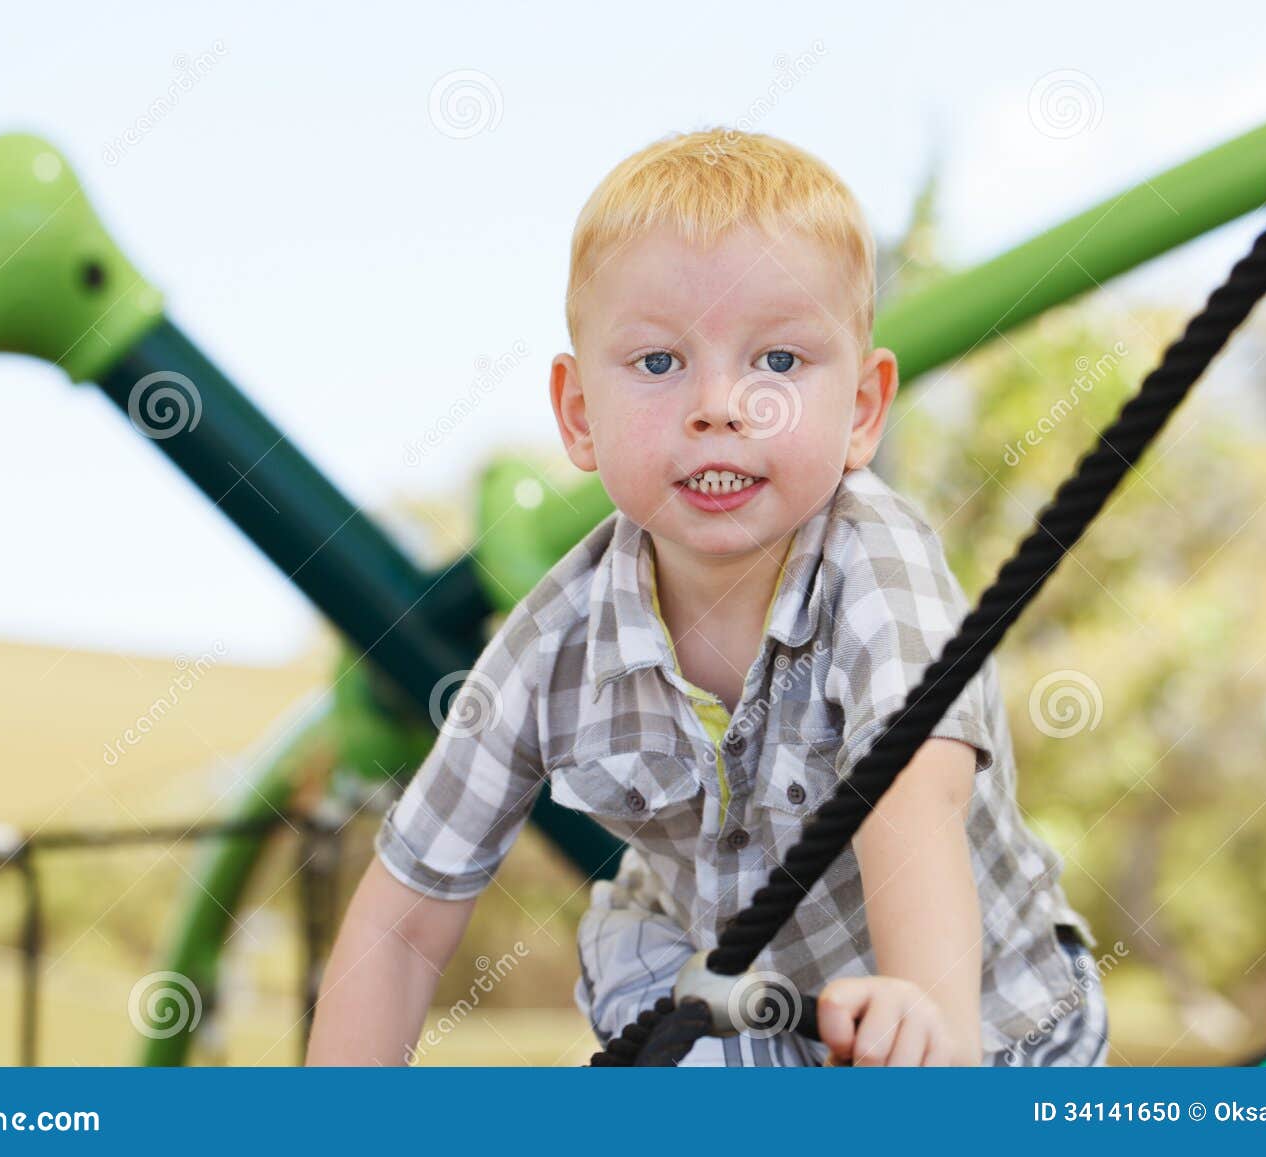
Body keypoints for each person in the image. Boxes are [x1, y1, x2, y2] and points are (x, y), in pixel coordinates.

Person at [305, 127, 1108, 1067]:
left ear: (861, 410)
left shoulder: (876, 566)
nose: (720, 404)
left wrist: (929, 1035)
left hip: (995, 1031)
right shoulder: (556, 640)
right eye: (658, 363)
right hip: (743, 1018)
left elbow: (913, 805)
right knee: (647, 984)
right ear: (577, 415)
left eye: (777, 361)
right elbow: (404, 918)